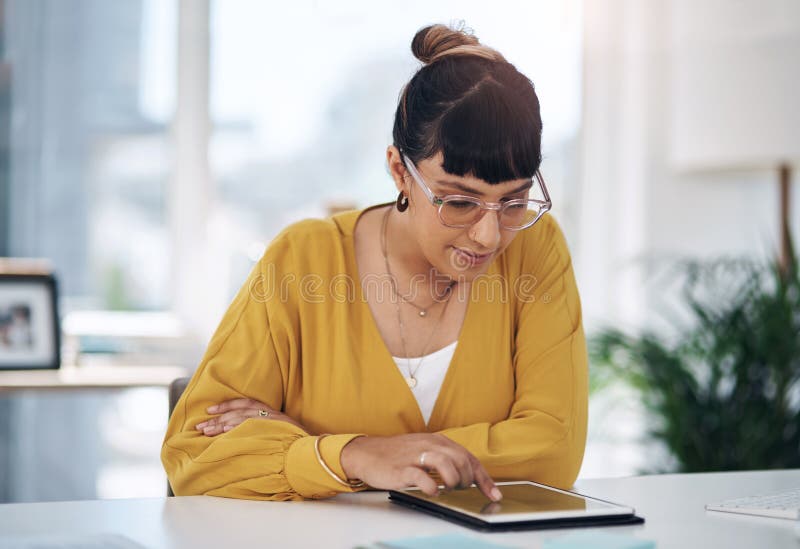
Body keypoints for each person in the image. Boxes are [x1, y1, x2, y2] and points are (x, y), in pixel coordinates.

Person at [162, 23, 588, 502]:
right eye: (460, 202)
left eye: (513, 202)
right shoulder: (302, 260)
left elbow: (554, 451)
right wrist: (357, 455)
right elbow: (194, 456)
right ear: (399, 170)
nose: (489, 235)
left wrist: (331, 452)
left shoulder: (536, 249)